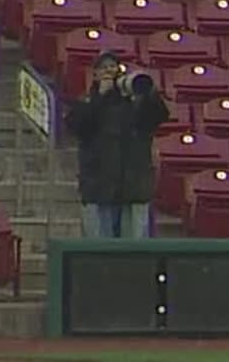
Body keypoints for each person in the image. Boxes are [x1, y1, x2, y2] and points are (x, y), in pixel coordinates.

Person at [65, 51, 169, 239]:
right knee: (99, 250)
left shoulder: (135, 104)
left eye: (113, 67)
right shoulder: (86, 101)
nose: (109, 71)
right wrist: (101, 96)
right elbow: (77, 125)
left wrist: (147, 92)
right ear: (95, 74)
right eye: (103, 68)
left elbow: (159, 116)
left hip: (134, 188)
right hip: (99, 188)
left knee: (135, 252)